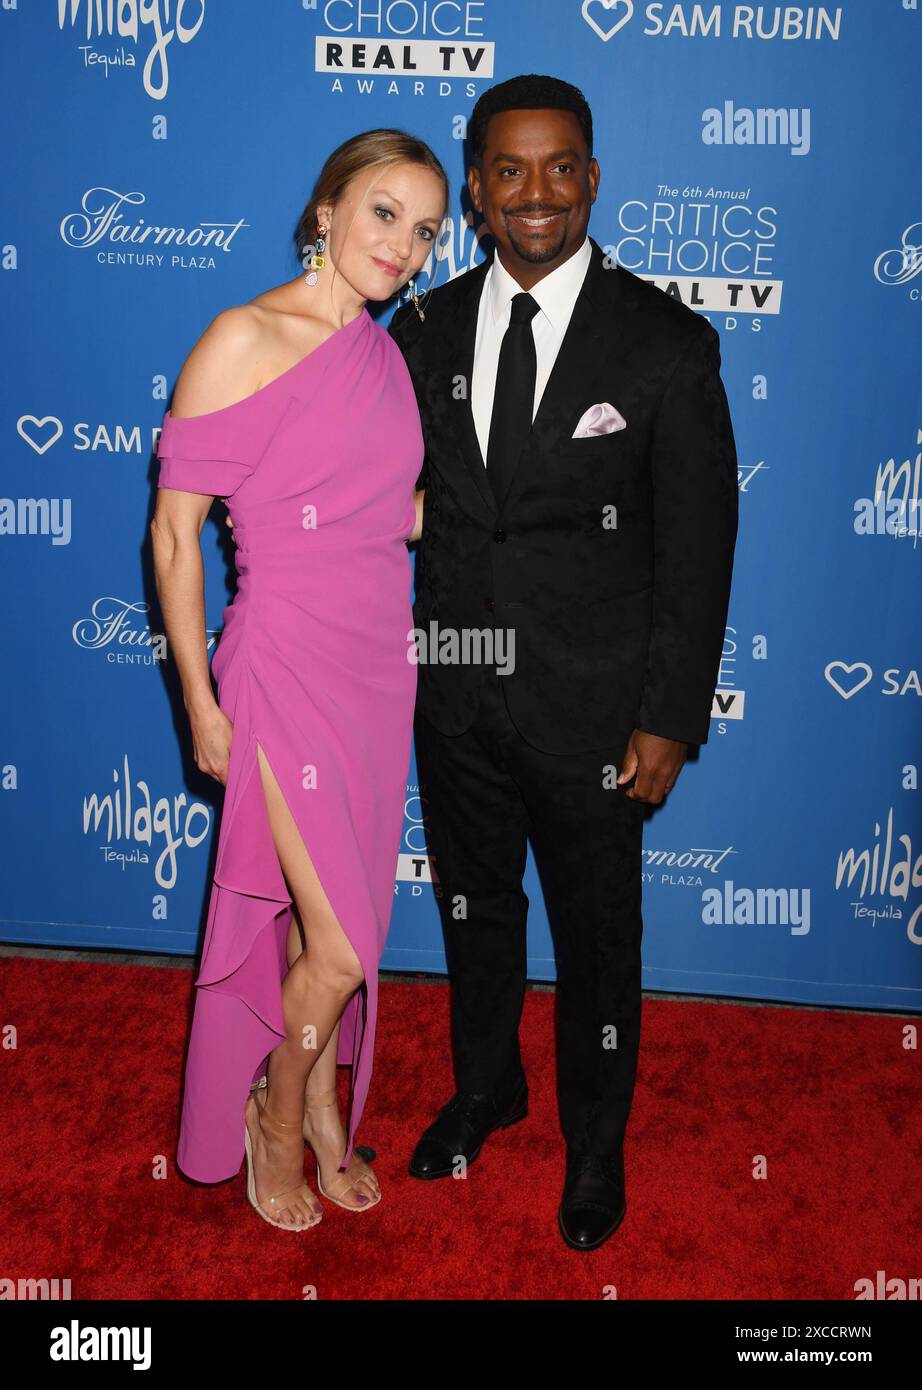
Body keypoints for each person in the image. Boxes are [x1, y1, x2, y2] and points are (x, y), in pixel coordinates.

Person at [388, 75, 739, 1250]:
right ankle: (488, 1086)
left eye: (558, 166)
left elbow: (697, 549)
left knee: (597, 940)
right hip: (457, 686)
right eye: (508, 170)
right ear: (477, 189)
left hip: (595, 707)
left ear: (592, 175)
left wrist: (669, 717)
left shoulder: (664, 342)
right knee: (473, 911)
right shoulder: (423, 327)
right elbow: (409, 506)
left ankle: (595, 1147)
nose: (534, 192)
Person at [150, 129, 447, 1231]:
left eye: (423, 230)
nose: (402, 246)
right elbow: (176, 540)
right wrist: (200, 700)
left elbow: (396, 517)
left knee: (334, 931)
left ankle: (321, 1102)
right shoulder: (242, 336)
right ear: (326, 211)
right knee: (336, 945)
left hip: (378, 668)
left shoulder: (385, 356)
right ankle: (276, 1118)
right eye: (382, 213)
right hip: (281, 664)